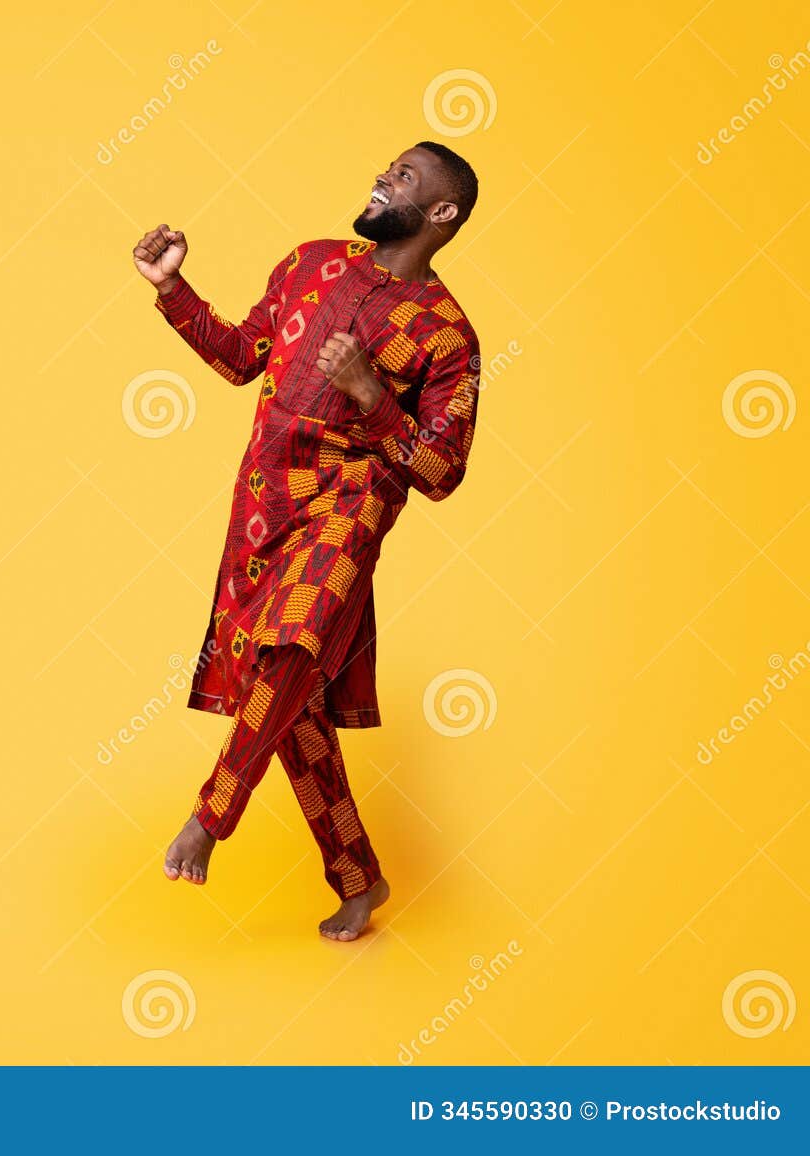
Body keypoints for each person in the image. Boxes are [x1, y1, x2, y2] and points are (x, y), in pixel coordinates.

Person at [133, 142, 482, 941]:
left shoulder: (448, 335)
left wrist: (372, 398)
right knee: (291, 707)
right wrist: (175, 290)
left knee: (293, 649)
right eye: (387, 167)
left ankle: (209, 818)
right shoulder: (310, 262)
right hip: (263, 505)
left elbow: (440, 472)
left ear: (441, 214)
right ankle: (361, 878)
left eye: (403, 177)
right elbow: (242, 358)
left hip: (350, 507)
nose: (380, 177)